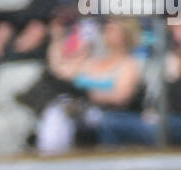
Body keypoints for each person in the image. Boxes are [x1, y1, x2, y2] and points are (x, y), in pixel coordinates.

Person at [95, 22, 181, 148]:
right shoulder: (169, 66)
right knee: (110, 121)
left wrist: (175, 80)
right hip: (161, 120)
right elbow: (152, 101)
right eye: (176, 43)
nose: (180, 47)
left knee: (156, 128)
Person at [35, 17, 143, 156]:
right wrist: (57, 38)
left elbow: (121, 97)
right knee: (56, 111)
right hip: (80, 111)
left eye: (112, 29)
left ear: (125, 34)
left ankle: (52, 157)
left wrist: (88, 92)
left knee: (63, 115)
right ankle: (49, 157)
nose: (105, 32)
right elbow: (60, 70)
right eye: (106, 29)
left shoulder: (128, 64)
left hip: (107, 113)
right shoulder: (93, 62)